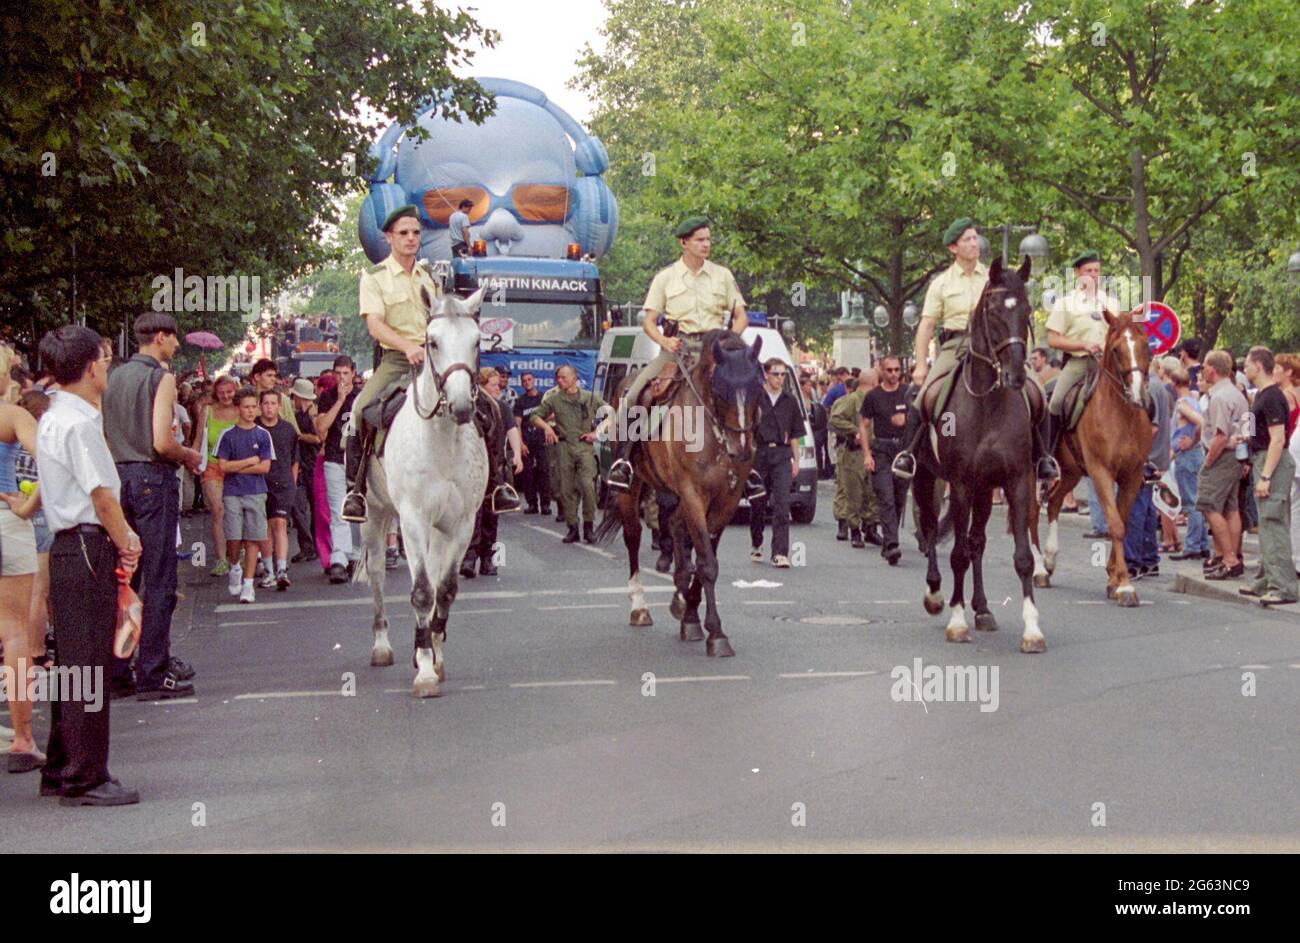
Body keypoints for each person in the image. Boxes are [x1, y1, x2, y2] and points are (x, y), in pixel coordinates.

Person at [35, 325, 141, 805]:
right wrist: (128, 541)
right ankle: (85, 776)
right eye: (104, 356)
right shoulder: (78, 423)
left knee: (73, 663)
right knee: (90, 664)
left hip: (66, 548)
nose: (108, 364)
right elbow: (101, 496)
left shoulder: (56, 415)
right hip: (86, 545)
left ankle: (62, 765)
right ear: (91, 366)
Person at [604, 215, 763, 500]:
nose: (706, 244)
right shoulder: (665, 278)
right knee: (634, 394)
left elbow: (741, 316)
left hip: (715, 350)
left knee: (747, 393)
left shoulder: (722, 275)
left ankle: (748, 468)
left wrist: (730, 340)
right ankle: (624, 462)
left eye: (708, 239)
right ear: (684, 243)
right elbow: (649, 321)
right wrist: (664, 340)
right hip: (677, 349)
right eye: (700, 240)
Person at [893, 218, 1058, 482]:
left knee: (1037, 391)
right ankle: (908, 453)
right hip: (955, 344)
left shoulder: (994, 277)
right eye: (967, 240)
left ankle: (1043, 457)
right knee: (924, 394)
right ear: (953, 248)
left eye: (975, 238)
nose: (974, 243)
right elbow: (926, 326)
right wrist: (922, 364)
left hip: (994, 346)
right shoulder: (942, 283)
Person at [101, 312, 201, 700]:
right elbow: (162, 441)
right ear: (160, 337)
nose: (176, 346)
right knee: (160, 577)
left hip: (118, 477)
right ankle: (153, 670)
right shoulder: (161, 379)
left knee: (126, 576)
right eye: (174, 339)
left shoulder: (112, 377)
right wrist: (189, 455)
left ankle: (117, 667)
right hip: (152, 478)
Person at [341, 204, 448, 522]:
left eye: (416, 232)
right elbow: (375, 325)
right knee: (360, 410)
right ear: (389, 237)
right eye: (403, 233)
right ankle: (357, 490)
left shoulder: (430, 277)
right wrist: (407, 346)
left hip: (433, 360)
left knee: (480, 404)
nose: (411, 238)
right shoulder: (375, 276)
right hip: (396, 361)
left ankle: (494, 484)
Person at [0, 344, 42, 772]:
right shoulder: (12, 415)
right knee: (14, 634)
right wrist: (28, 507)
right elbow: (49, 459)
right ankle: (23, 738)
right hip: (6, 523)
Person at [1238, 346, 1297, 604]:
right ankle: (1265, 579)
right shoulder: (1263, 395)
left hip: (1271, 462)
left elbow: (1277, 439)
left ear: (1259, 366)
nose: (1244, 369)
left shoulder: (1272, 396)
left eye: (1247, 365)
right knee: (1267, 525)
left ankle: (1284, 586)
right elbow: (1257, 430)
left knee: (1273, 525)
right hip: (1261, 458)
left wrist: (1265, 477)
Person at [532, 365, 611, 543]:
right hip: (564, 446)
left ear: (574, 378)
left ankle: (589, 526)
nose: (560, 381)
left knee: (588, 486)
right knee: (567, 489)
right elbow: (535, 416)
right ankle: (572, 527)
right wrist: (546, 428)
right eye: (558, 378)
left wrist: (597, 433)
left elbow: (611, 414)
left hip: (584, 446)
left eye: (563, 377)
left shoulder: (589, 398)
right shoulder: (554, 399)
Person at [461, 369, 524, 577]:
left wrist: (517, 454)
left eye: (499, 385)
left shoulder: (501, 407)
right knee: (473, 514)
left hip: (495, 466)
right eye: (494, 385)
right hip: (471, 467)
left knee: (491, 512)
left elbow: (511, 430)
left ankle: (488, 559)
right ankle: (468, 558)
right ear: (481, 385)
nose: (498, 388)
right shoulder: (468, 405)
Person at [215, 387, 274, 603]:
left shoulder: (262, 434)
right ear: (238, 409)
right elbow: (222, 466)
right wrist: (249, 461)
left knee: (253, 539)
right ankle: (234, 566)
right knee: (234, 537)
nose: (250, 411)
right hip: (232, 493)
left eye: (253, 407)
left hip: (256, 492)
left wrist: (235, 467)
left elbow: (265, 467)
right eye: (246, 407)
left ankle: (248, 585)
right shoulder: (228, 435)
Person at [1197, 350, 1249, 580]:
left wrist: (1208, 462)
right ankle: (1230, 555)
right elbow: (1249, 429)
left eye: (1204, 367)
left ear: (1212, 369)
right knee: (1231, 508)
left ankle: (1228, 558)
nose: (1202, 371)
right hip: (1236, 455)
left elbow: (1219, 435)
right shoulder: (1238, 394)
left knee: (1209, 505)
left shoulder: (1218, 397)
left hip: (1220, 455)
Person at [749, 358, 804, 568]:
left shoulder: (790, 401)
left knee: (782, 504)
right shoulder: (755, 398)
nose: (780, 379)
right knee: (758, 503)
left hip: (781, 455)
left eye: (783, 375)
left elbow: (795, 434)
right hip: (760, 454)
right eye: (776, 374)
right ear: (766, 374)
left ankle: (780, 552)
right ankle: (756, 542)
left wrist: (796, 460)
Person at [1123, 361, 1172, 580]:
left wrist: (1132, 451)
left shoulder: (1149, 387)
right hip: (1155, 456)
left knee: (1135, 510)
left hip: (1145, 458)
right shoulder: (1158, 385)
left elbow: (1150, 427)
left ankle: (1133, 562)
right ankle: (1149, 559)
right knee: (1148, 511)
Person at [860, 355, 910, 565]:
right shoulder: (873, 396)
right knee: (886, 497)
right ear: (881, 371)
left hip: (903, 452)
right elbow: (863, 424)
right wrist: (867, 454)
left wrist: (906, 419)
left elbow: (921, 418)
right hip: (881, 449)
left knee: (899, 498)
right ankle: (892, 545)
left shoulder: (908, 393)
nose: (894, 374)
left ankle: (889, 540)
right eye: (889, 370)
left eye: (897, 370)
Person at [317, 357, 360, 582]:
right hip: (334, 458)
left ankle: (355, 554)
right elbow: (321, 428)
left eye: (345, 373)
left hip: (358, 460)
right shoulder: (328, 396)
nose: (341, 378)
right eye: (338, 373)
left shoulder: (362, 395)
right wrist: (340, 400)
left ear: (353, 373)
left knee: (359, 508)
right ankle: (339, 558)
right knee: (338, 509)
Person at [192, 375, 239, 575]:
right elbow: (198, 438)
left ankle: (237, 554)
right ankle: (221, 559)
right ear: (215, 394)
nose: (226, 396)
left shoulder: (241, 410)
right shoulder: (207, 411)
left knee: (235, 512)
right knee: (218, 511)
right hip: (212, 465)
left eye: (229, 392)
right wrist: (193, 459)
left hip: (238, 467)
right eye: (221, 393)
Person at [830, 371, 880, 547]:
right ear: (873, 382)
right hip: (855, 453)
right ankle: (853, 529)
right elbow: (835, 419)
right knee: (853, 492)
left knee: (873, 491)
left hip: (874, 451)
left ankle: (871, 527)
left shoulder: (876, 400)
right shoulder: (852, 400)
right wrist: (854, 431)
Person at [256, 389, 299, 591]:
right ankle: (268, 570)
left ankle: (281, 569)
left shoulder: (288, 429)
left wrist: (292, 483)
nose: (269, 407)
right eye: (266, 403)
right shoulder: (253, 427)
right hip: (258, 483)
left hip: (283, 484)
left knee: (280, 524)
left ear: (279, 406)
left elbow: (294, 460)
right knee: (264, 528)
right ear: (260, 405)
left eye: (273, 403)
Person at [1168, 367, 1210, 561]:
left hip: (1187, 455)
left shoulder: (1183, 404)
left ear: (1173, 384)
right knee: (1197, 500)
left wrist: (1192, 441)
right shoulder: (1195, 400)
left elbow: (1200, 422)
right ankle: (1202, 544)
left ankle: (1192, 545)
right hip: (1195, 455)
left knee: (1191, 502)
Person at [288, 378, 320, 563]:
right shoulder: (300, 414)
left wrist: (299, 436)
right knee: (299, 507)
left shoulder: (312, 413)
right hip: (302, 464)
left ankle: (312, 545)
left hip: (312, 464)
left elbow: (318, 438)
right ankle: (308, 546)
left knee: (311, 508)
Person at [515, 371, 552, 515]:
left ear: (534, 381)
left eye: (529, 379)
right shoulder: (520, 402)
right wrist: (521, 444)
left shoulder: (543, 399)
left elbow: (552, 415)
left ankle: (545, 504)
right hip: (527, 441)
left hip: (542, 441)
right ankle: (532, 504)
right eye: (524, 380)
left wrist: (545, 424)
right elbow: (517, 424)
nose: (527, 382)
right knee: (527, 473)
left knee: (544, 471)